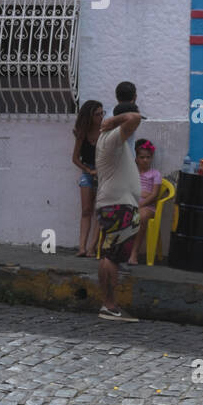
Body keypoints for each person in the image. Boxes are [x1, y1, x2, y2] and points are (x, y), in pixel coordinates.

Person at [94, 101, 143, 321]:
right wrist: (115, 120)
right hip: (118, 206)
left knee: (108, 255)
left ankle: (109, 305)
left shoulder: (114, 141)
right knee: (112, 257)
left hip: (116, 204)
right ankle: (110, 306)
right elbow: (134, 119)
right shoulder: (113, 137)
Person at [71, 100, 104, 256]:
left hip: (103, 172)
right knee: (86, 210)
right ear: (89, 116)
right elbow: (75, 158)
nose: (101, 117)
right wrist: (87, 170)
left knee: (99, 210)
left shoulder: (105, 131)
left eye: (102, 113)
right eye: (97, 114)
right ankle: (82, 247)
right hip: (88, 171)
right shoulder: (82, 134)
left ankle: (92, 247)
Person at [129, 139, 163, 265]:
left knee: (141, 216)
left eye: (148, 157)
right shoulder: (131, 172)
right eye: (142, 157)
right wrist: (140, 195)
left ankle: (134, 253)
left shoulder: (155, 174)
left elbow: (154, 195)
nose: (145, 160)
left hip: (148, 207)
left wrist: (140, 203)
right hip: (131, 203)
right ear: (136, 158)